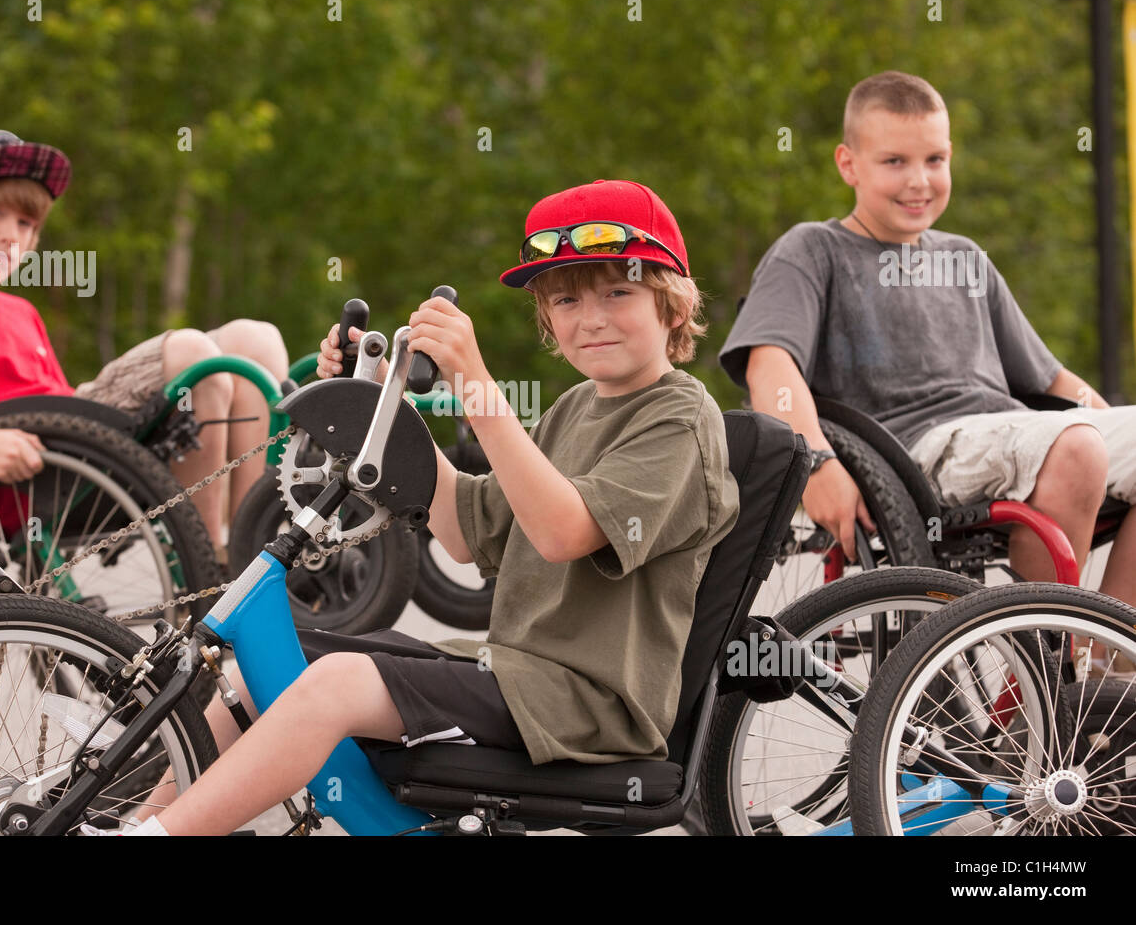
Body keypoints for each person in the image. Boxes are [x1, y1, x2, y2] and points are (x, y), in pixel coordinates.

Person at [93, 178, 740, 835]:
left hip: (589, 705)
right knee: (263, 669)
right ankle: (137, 824)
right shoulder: (577, 408)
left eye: (618, 292)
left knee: (336, 685)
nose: (592, 317)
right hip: (517, 676)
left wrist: (477, 387)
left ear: (674, 306)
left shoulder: (679, 418)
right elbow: (465, 532)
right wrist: (375, 404)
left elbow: (563, 532)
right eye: (567, 300)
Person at [719, 71, 1136, 607]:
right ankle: (1051, 664)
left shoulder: (964, 257)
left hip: (1012, 433)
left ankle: (1112, 656)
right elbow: (769, 367)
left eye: (934, 161)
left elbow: (1053, 380)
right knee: (1078, 446)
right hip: (917, 450)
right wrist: (816, 465)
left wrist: (1109, 430)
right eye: (895, 162)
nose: (919, 181)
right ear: (848, 163)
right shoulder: (813, 250)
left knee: (1090, 438)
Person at [0, 130, 291, 553]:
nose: (12, 236)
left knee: (259, 340)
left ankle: (255, 546)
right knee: (197, 357)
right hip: (45, 478)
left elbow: (63, 400)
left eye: (27, 224)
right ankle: (211, 564)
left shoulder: (18, 312)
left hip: (85, 445)